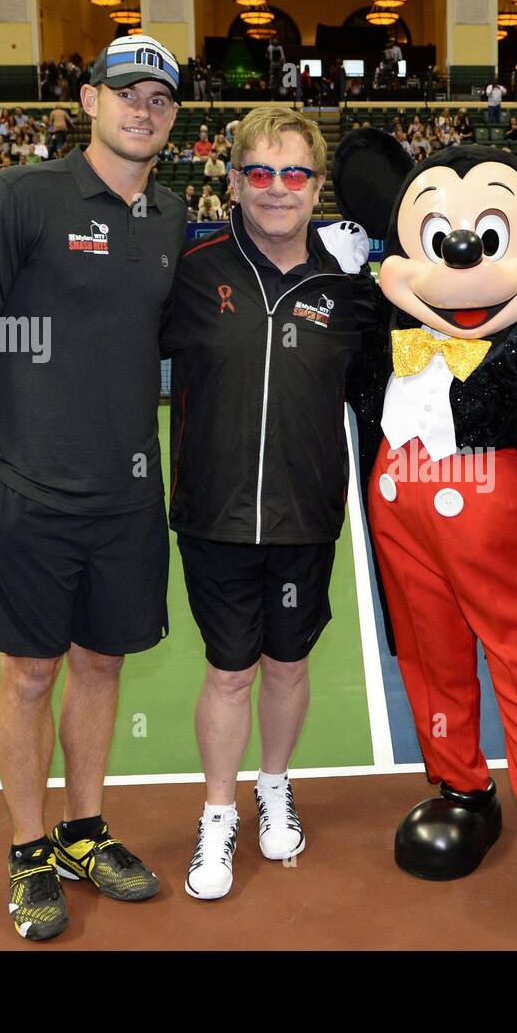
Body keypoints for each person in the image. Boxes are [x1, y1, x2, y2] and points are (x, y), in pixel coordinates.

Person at [0, 35, 187, 942]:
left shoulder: (169, 214)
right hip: (27, 495)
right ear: (88, 99)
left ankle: (85, 829)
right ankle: (30, 848)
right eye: (128, 93)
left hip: (128, 498)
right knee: (30, 671)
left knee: (102, 663)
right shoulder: (21, 197)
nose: (144, 108)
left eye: (161, 97)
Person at [158, 107, 378, 900]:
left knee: (287, 663)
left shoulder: (346, 285)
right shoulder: (192, 270)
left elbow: (390, 385)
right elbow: (109, 346)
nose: (277, 189)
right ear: (234, 182)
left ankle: (274, 782)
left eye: (294, 174)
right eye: (259, 172)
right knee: (227, 672)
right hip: (212, 514)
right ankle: (218, 812)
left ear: (317, 185)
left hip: (307, 514)